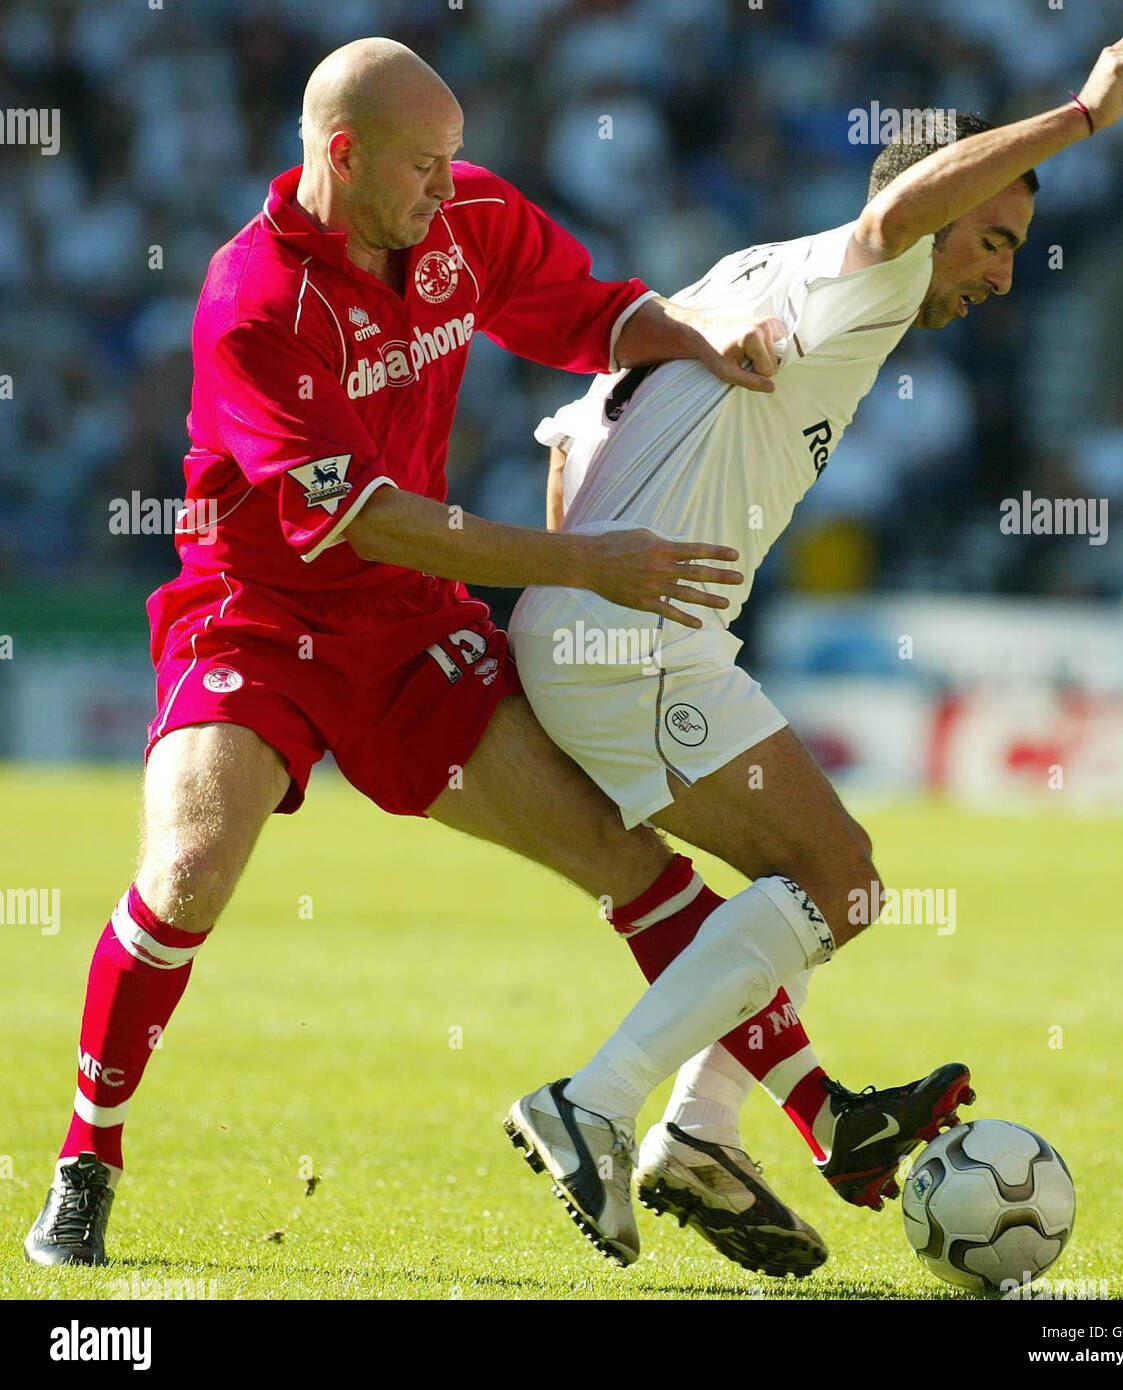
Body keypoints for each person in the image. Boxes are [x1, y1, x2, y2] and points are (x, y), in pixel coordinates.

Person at [21, 35, 796, 1269]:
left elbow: (590, 313)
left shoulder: (465, 213)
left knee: (619, 854)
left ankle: (818, 1114)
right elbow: (361, 512)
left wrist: (697, 337)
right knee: (187, 875)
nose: (453, 183)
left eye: (453, 157)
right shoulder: (254, 301)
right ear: (345, 155)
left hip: (407, 626)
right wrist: (586, 563)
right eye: (427, 164)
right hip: (259, 615)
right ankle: (85, 1160)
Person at [504, 26, 1123, 1271]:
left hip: (621, 634)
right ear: (937, 214)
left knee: (809, 876)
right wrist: (1080, 117)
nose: (1005, 278)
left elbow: (564, 432)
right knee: (842, 880)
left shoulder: (742, 275)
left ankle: (701, 1131)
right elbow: (905, 212)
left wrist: (568, 606)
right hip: (639, 642)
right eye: (995, 240)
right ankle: (594, 1103)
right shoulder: (857, 273)